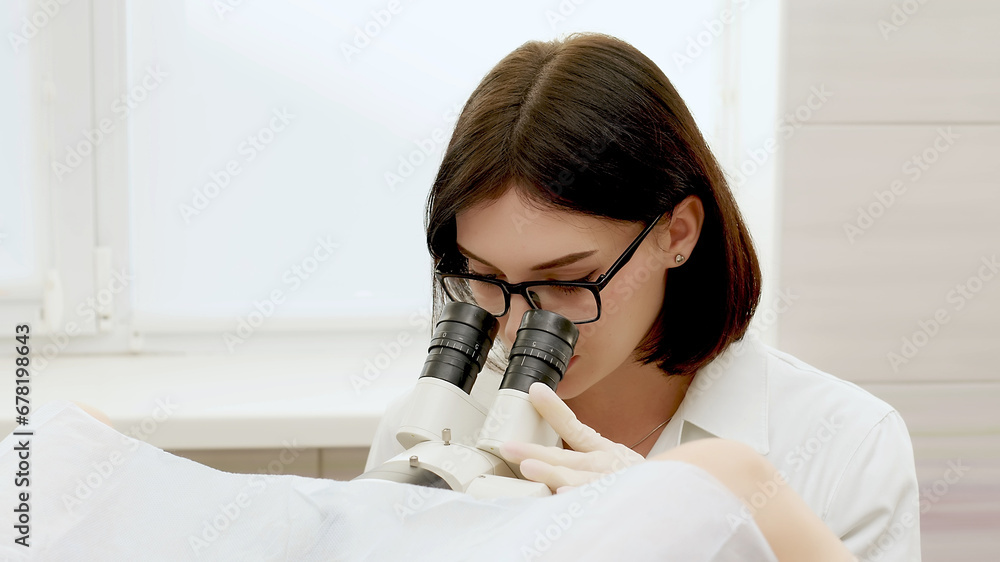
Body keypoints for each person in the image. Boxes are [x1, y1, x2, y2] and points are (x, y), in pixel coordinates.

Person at [366, 32, 920, 561]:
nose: (516, 328)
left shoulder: (844, 446)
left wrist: (675, 526)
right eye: (487, 279)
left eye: (567, 281)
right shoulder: (420, 431)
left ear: (675, 234)